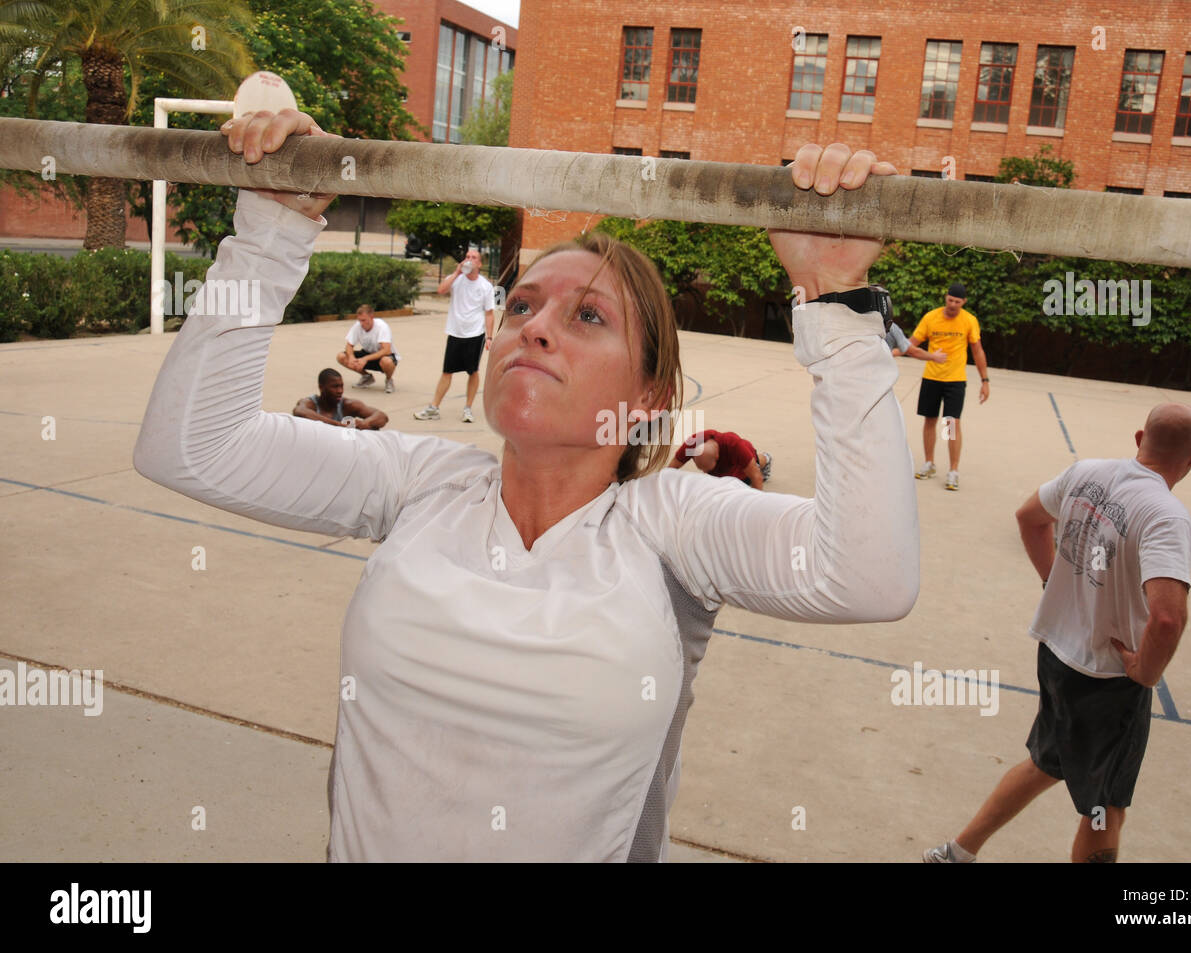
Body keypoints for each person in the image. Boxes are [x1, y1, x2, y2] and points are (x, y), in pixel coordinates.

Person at [134, 110, 918, 862]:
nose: (533, 327)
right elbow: (193, 446)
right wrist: (272, 229)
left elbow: (865, 576)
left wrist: (837, 300)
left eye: (587, 318)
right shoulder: (421, 482)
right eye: (522, 306)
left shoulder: (669, 526)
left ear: (648, 399)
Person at [924, 403, 1191, 864]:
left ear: (1140, 438)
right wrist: (1145, 671)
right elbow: (1168, 618)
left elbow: (1029, 518)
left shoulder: (1086, 472)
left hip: (1056, 653)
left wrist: (1052, 581)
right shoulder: (1165, 516)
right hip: (1107, 678)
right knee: (1107, 804)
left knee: (1046, 762)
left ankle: (955, 853)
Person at [909, 283, 989, 490]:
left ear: (964, 302)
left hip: (954, 380)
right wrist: (893, 352)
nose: (952, 304)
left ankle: (953, 470)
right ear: (945, 298)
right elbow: (912, 343)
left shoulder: (969, 321)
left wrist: (985, 381)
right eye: (950, 300)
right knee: (930, 420)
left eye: (957, 301)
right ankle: (929, 463)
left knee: (950, 424)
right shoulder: (931, 318)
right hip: (931, 378)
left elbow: (977, 351)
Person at [413, 249, 496, 423]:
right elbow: (441, 290)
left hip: (475, 334)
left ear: (479, 264)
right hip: (455, 332)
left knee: (472, 371)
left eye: (473, 258)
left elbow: (489, 313)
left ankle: (467, 409)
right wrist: (457, 272)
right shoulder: (456, 279)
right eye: (467, 257)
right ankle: (434, 408)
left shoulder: (485, 286)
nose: (469, 260)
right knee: (447, 371)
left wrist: (489, 337)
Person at [668, 430, 773, 490]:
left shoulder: (734, 446)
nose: (704, 472)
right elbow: (671, 468)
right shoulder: (693, 443)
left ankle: (766, 459)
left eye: (707, 469)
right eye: (701, 468)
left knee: (754, 465)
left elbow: (756, 477)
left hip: (740, 472)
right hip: (721, 473)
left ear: (717, 456)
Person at [294, 368, 389, 430]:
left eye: (341, 386)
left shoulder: (348, 404)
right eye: (335, 387)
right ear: (321, 387)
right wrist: (339, 426)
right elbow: (300, 411)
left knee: (373, 428)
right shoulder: (310, 403)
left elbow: (381, 416)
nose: (340, 391)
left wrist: (364, 424)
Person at [337, 304, 400, 394]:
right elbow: (349, 345)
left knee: (386, 361)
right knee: (341, 356)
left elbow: (386, 350)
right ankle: (366, 377)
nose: (361, 323)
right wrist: (351, 357)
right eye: (359, 320)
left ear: (371, 317)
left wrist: (365, 359)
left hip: (383, 356)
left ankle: (389, 380)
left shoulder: (382, 326)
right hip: (367, 353)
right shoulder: (357, 326)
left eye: (364, 320)